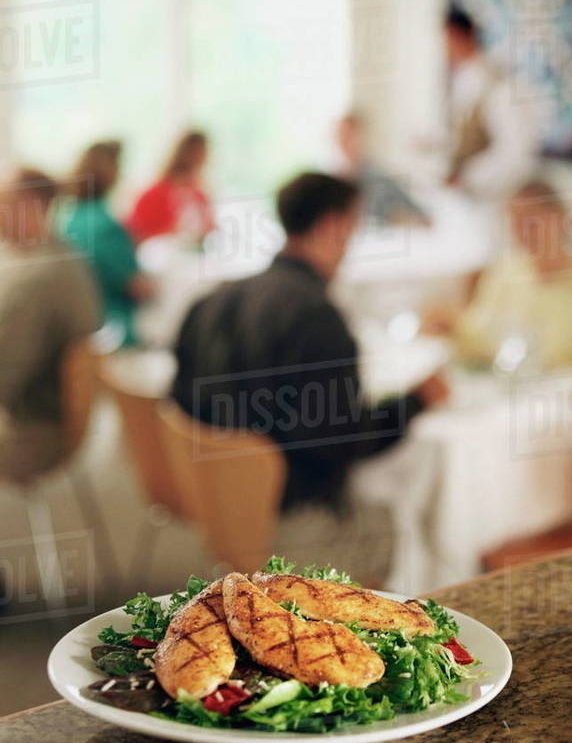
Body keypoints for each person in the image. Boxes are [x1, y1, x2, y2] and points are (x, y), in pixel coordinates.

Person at [170, 172, 449, 515]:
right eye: (353, 228)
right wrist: (415, 402)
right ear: (332, 226)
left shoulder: (212, 299)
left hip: (209, 490)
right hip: (285, 505)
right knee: (414, 513)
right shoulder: (317, 318)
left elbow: (179, 399)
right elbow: (343, 442)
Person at [428, 179, 572, 412]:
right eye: (515, 221)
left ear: (560, 218)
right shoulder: (505, 274)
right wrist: (451, 327)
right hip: (516, 397)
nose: (522, 231)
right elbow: (482, 335)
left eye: (531, 220)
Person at [0, 168, 100, 483]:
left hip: (33, 431)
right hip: (43, 416)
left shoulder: (36, 281)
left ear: (28, 205)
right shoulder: (62, 256)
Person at [59, 140, 154, 348]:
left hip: (78, 330)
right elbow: (138, 287)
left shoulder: (68, 219)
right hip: (114, 331)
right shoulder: (106, 227)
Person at [442, 6, 540, 202]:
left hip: (497, 196)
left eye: (446, 40)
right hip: (467, 198)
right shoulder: (461, 80)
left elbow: (514, 151)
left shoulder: (499, 85)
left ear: (459, 36)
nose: (443, 48)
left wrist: (467, 177)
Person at [333, 111, 424, 227]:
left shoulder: (377, 175)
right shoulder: (334, 179)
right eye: (340, 134)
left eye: (348, 135)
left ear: (358, 136)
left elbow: (420, 216)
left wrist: (395, 218)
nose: (342, 140)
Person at [126, 129, 214, 244]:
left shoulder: (199, 194)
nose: (203, 156)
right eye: (198, 151)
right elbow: (138, 236)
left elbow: (209, 229)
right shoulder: (154, 194)